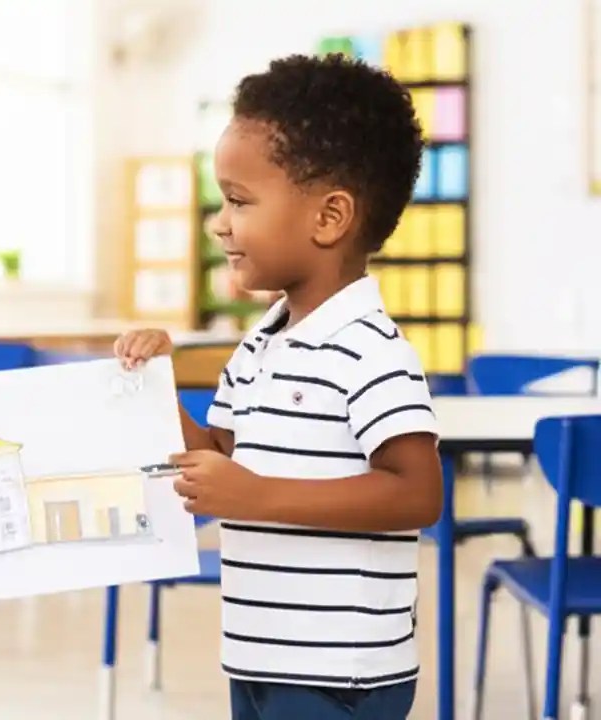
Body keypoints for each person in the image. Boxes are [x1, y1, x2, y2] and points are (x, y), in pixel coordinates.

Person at [114, 54, 442, 720]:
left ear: (329, 218)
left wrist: (257, 496)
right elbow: (222, 463)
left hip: (339, 672)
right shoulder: (261, 345)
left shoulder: (370, 350)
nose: (219, 223)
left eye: (238, 201)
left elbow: (417, 492)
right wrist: (156, 389)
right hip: (261, 654)